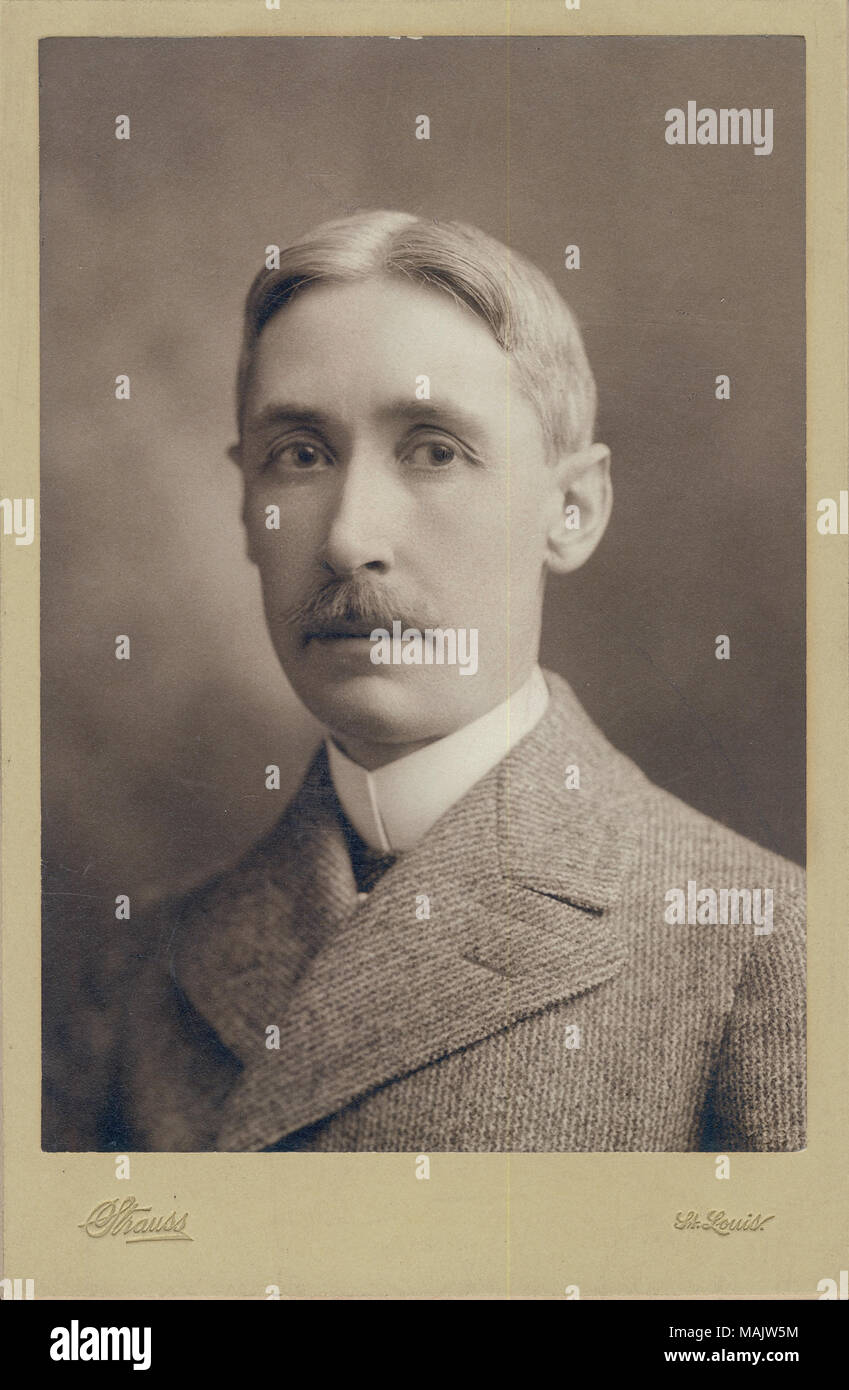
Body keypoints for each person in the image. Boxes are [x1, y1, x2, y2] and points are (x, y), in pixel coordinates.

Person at [78, 210, 806, 1152]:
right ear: (246, 507)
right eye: (298, 455)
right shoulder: (141, 970)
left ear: (571, 507)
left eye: (433, 451)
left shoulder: (767, 949)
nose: (347, 539)